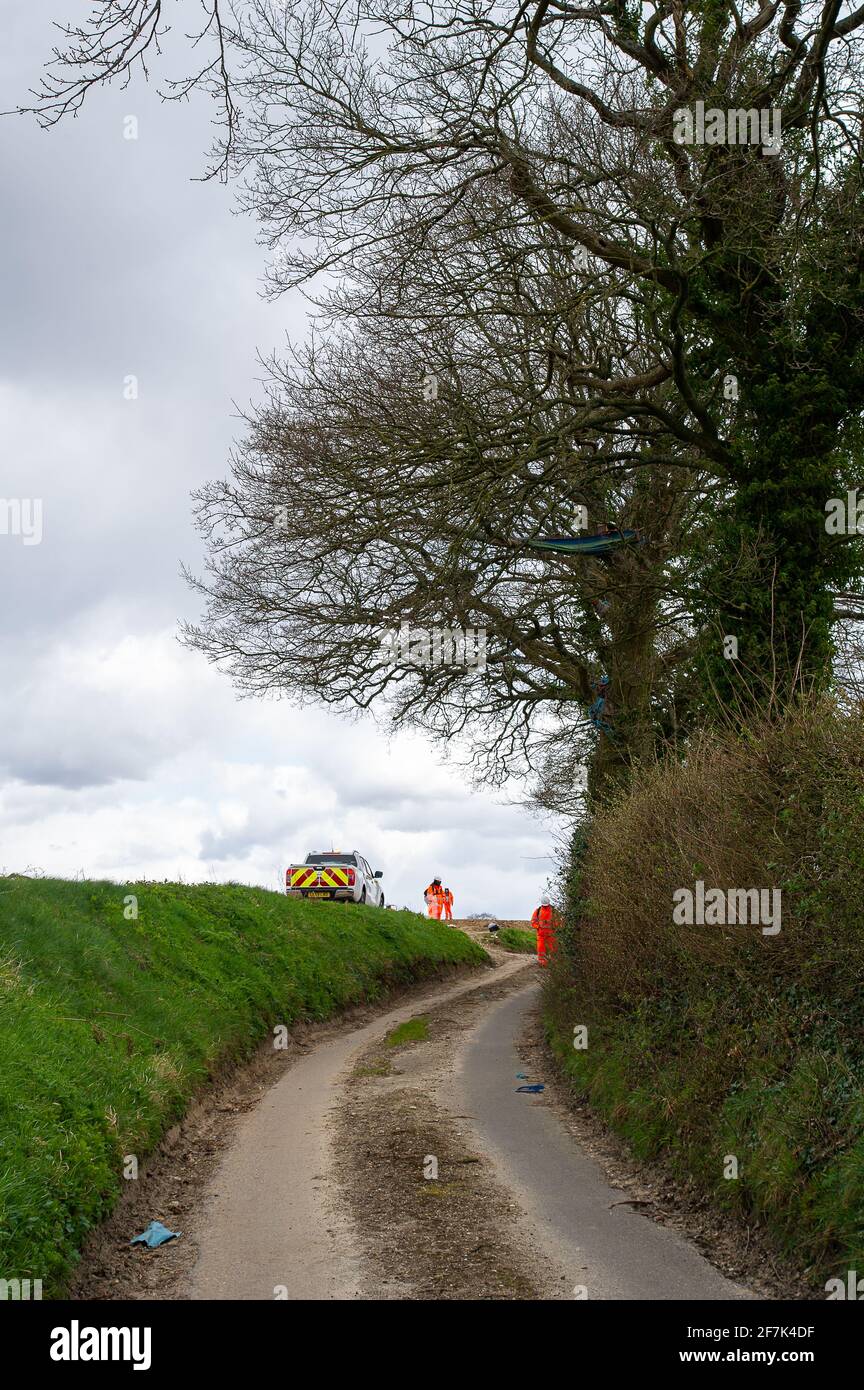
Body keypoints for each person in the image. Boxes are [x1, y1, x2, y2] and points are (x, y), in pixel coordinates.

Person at [530, 895, 561, 967]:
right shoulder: (538, 911)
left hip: (551, 934)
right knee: (541, 949)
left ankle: (554, 964)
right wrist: (538, 927)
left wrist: (555, 926)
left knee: (553, 949)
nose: (545, 906)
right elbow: (533, 921)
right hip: (541, 934)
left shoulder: (554, 911)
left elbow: (558, 921)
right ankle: (542, 963)